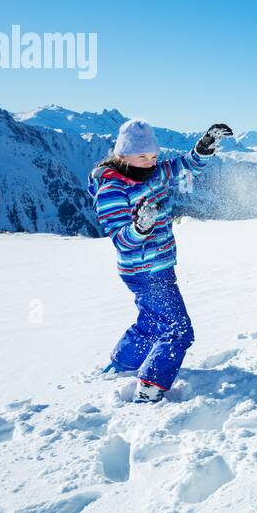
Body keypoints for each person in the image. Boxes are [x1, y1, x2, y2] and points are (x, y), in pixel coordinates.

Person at [88, 118, 232, 402]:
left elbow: (185, 166)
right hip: (143, 271)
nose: (150, 162)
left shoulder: (155, 173)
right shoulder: (112, 190)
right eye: (142, 156)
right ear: (122, 155)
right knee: (178, 329)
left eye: (153, 155)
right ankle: (150, 386)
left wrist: (204, 148)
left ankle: (122, 365)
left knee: (153, 321)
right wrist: (140, 227)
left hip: (161, 266)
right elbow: (121, 241)